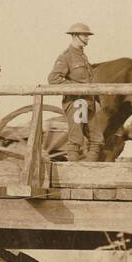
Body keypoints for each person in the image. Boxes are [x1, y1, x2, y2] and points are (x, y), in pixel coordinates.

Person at [48, 23, 99, 162]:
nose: (88, 38)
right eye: (85, 35)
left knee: (97, 139)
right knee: (76, 139)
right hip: (77, 102)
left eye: (88, 35)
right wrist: (76, 87)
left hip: (88, 102)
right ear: (75, 36)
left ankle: (86, 171)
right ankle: (72, 173)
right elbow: (53, 79)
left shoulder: (83, 56)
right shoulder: (66, 56)